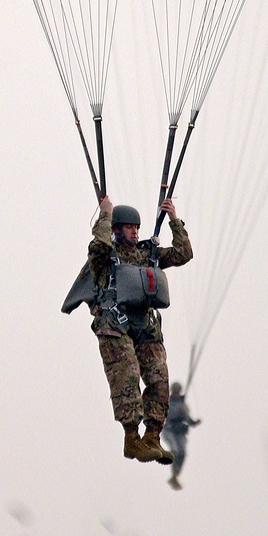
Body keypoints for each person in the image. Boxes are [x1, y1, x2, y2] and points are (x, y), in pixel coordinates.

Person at [87, 196, 193, 463]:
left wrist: (173, 219)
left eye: (137, 227)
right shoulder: (106, 257)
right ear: (117, 229)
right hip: (115, 327)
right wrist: (106, 215)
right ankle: (132, 438)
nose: (135, 231)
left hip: (146, 329)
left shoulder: (148, 254)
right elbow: (98, 244)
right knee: (128, 376)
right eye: (129, 227)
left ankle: (152, 437)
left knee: (159, 378)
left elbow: (184, 254)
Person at [162, 381, 201, 490]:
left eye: (178, 392)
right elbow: (165, 417)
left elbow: (187, 418)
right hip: (169, 430)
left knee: (182, 453)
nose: (176, 394)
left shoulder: (182, 404)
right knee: (175, 451)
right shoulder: (167, 403)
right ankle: (173, 471)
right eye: (175, 392)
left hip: (179, 432)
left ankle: (175, 474)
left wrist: (194, 422)